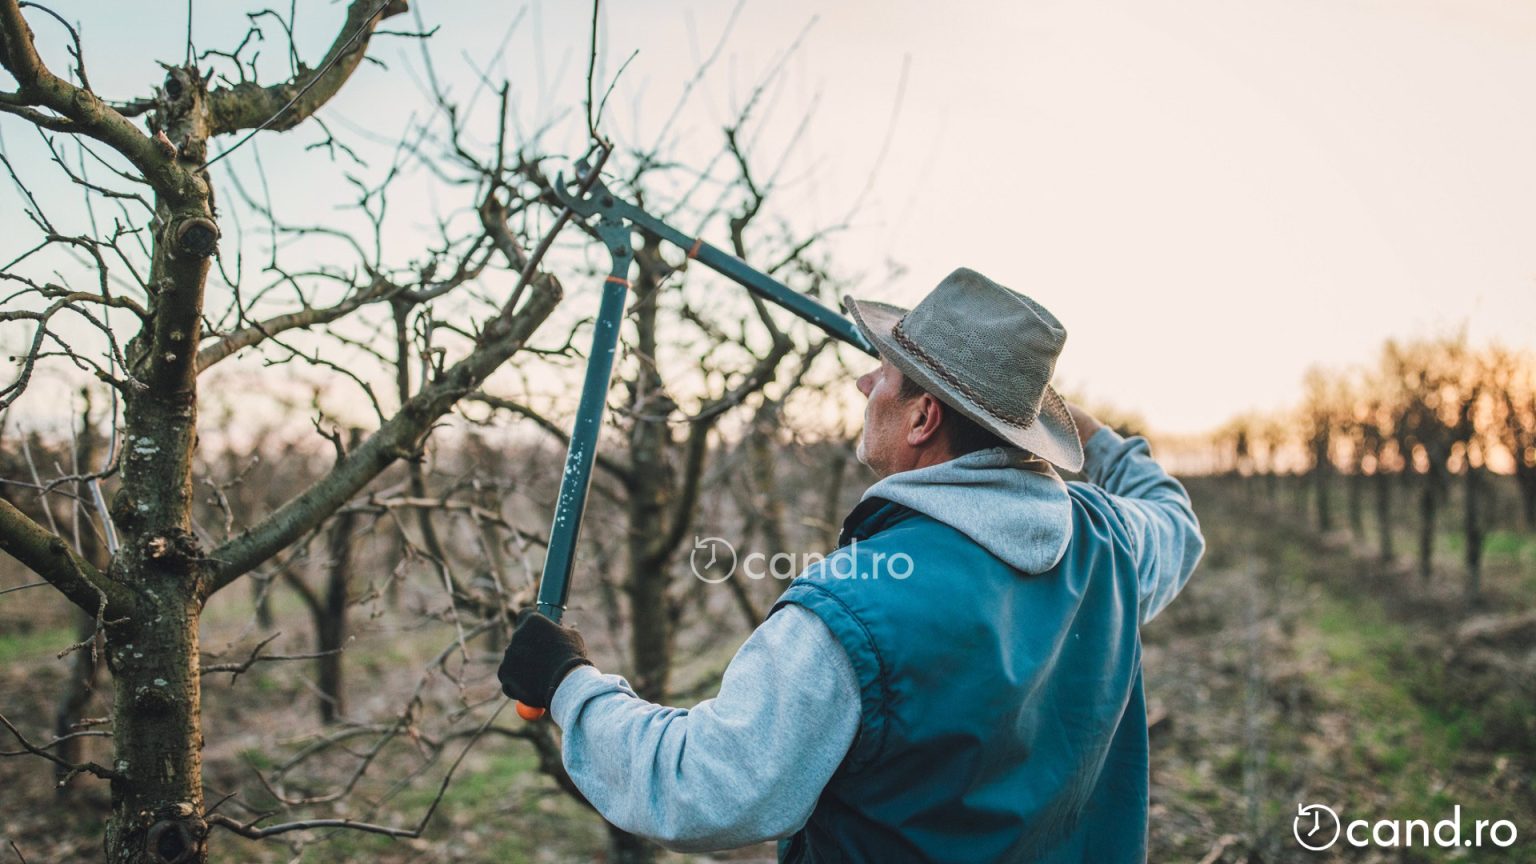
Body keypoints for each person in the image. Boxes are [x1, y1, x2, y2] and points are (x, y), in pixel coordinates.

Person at [498, 267, 1206, 862]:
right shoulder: (1111, 540)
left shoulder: (855, 607)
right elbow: (1176, 520)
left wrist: (567, 685)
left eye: (885, 373)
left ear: (924, 419)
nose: (865, 385)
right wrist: (1090, 434)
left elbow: (705, 787)